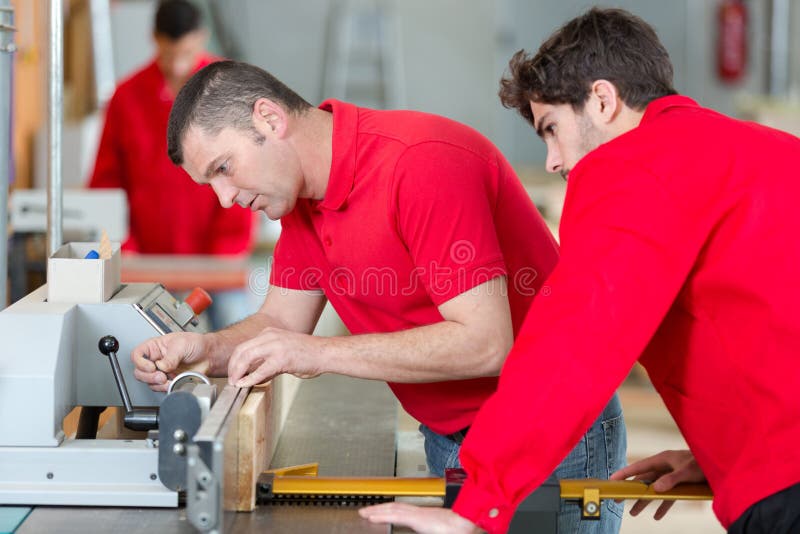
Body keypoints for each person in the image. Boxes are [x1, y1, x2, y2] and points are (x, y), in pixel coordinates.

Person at [130, 60, 627, 533]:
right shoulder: (303, 204)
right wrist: (203, 349)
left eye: (224, 167)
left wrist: (320, 353)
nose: (224, 198)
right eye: (209, 184)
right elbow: (280, 324)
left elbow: (487, 344)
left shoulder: (420, 163)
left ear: (269, 117)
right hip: (453, 440)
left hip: (551, 436)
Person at [359, 7, 800, 534]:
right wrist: (726, 453)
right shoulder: (771, 152)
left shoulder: (629, 168)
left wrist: (480, 500)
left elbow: (575, 341)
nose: (552, 161)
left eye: (552, 129)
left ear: (603, 99)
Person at [88, 0, 254, 329]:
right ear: (155, 40)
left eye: (186, 54)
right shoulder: (126, 97)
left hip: (217, 263)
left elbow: (244, 173)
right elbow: (105, 183)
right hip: (145, 263)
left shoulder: (229, 94)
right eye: (169, 54)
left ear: (202, 38)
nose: (178, 68)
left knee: (241, 336)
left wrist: (222, 258)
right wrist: (125, 248)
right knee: (134, 343)